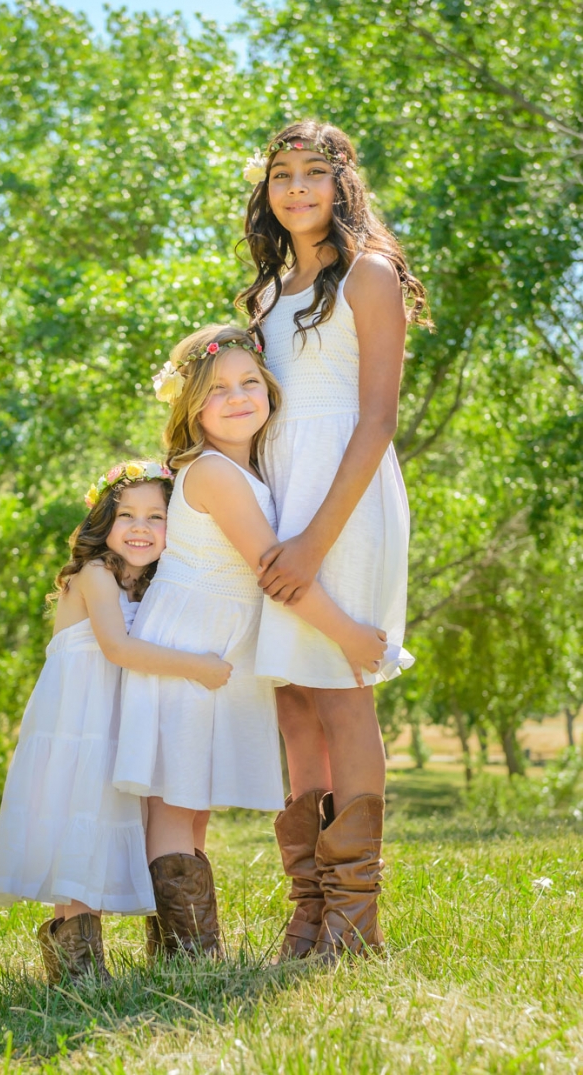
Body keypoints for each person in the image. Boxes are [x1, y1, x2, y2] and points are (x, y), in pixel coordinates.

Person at [113, 325, 387, 960]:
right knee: (177, 804)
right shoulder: (214, 474)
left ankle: (185, 948)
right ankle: (188, 955)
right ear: (189, 407)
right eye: (217, 391)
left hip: (212, 648)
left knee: (188, 802)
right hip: (189, 647)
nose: (237, 398)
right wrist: (347, 633)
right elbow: (273, 569)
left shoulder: (240, 468)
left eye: (249, 384)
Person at [237, 120, 429, 963]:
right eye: (283, 174)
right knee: (290, 694)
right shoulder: (270, 291)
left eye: (316, 173)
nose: (298, 188)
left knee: (342, 686)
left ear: (343, 183)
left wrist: (314, 539)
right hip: (279, 492)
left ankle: (355, 925)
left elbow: (377, 419)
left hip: (344, 498)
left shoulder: (370, 276)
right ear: (266, 190)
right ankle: (309, 914)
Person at [0, 461, 232, 984]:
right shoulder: (94, 575)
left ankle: (175, 951)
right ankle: (77, 970)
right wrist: (200, 668)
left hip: (124, 724)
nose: (141, 528)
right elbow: (117, 649)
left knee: (136, 828)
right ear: (103, 521)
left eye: (156, 516)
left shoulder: (157, 584)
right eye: (127, 515)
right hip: (82, 725)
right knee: (83, 830)